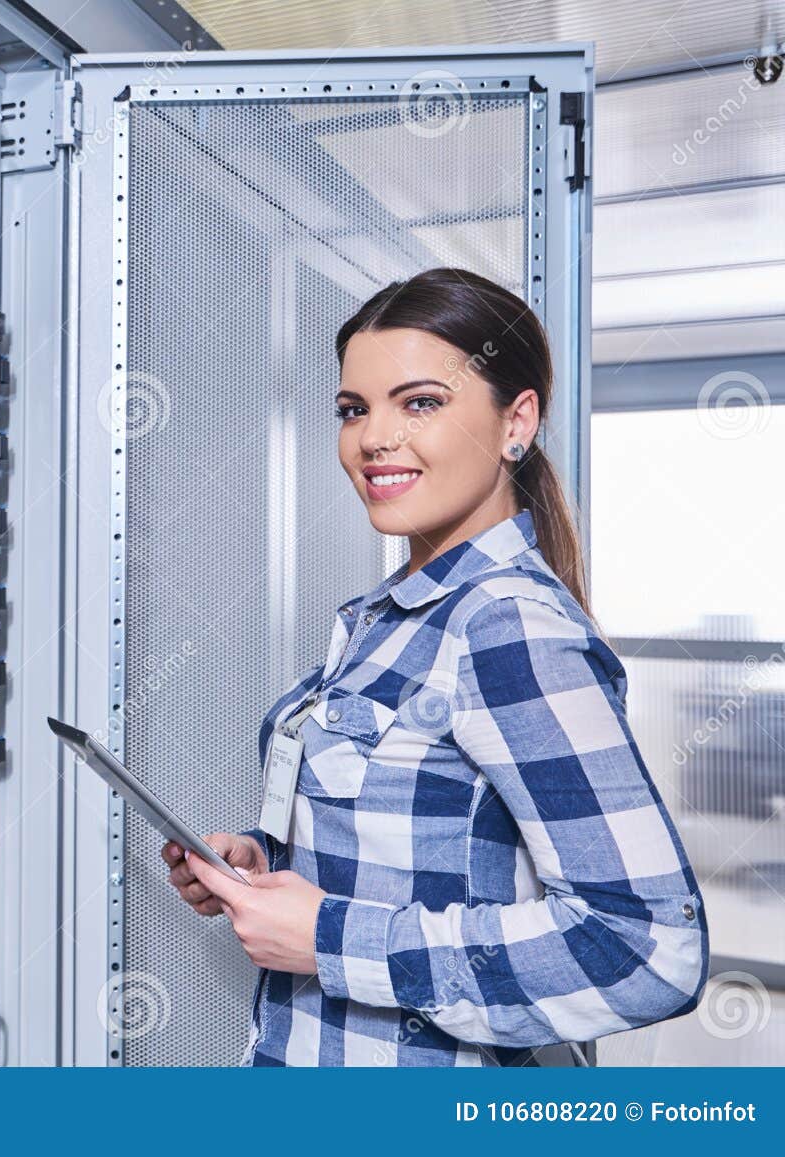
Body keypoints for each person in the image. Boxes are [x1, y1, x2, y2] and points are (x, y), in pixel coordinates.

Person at [162, 268, 708, 1066]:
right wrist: (262, 869)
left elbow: (647, 947)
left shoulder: (507, 627)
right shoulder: (385, 618)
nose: (373, 437)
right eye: (354, 409)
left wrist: (326, 933)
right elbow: (440, 847)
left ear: (516, 421)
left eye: (420, 402)